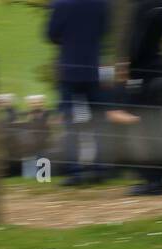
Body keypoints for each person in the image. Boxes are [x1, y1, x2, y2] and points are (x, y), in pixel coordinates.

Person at [46, 0, 110, 185]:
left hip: (69, 68)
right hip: (93, 67)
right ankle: (100, 168)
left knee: (70, 123)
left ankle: (75, 171)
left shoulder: (61, 4)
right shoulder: (101, 4)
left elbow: (51, 34)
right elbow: (104, 30)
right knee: (99, 121)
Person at [127, 0, 162, 195]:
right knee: (159, 128)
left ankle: (154, 180)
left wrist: (132, 67)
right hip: (160, 69)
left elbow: (138, 41)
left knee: (147, 130)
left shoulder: (144, 5)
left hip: (144, 73)